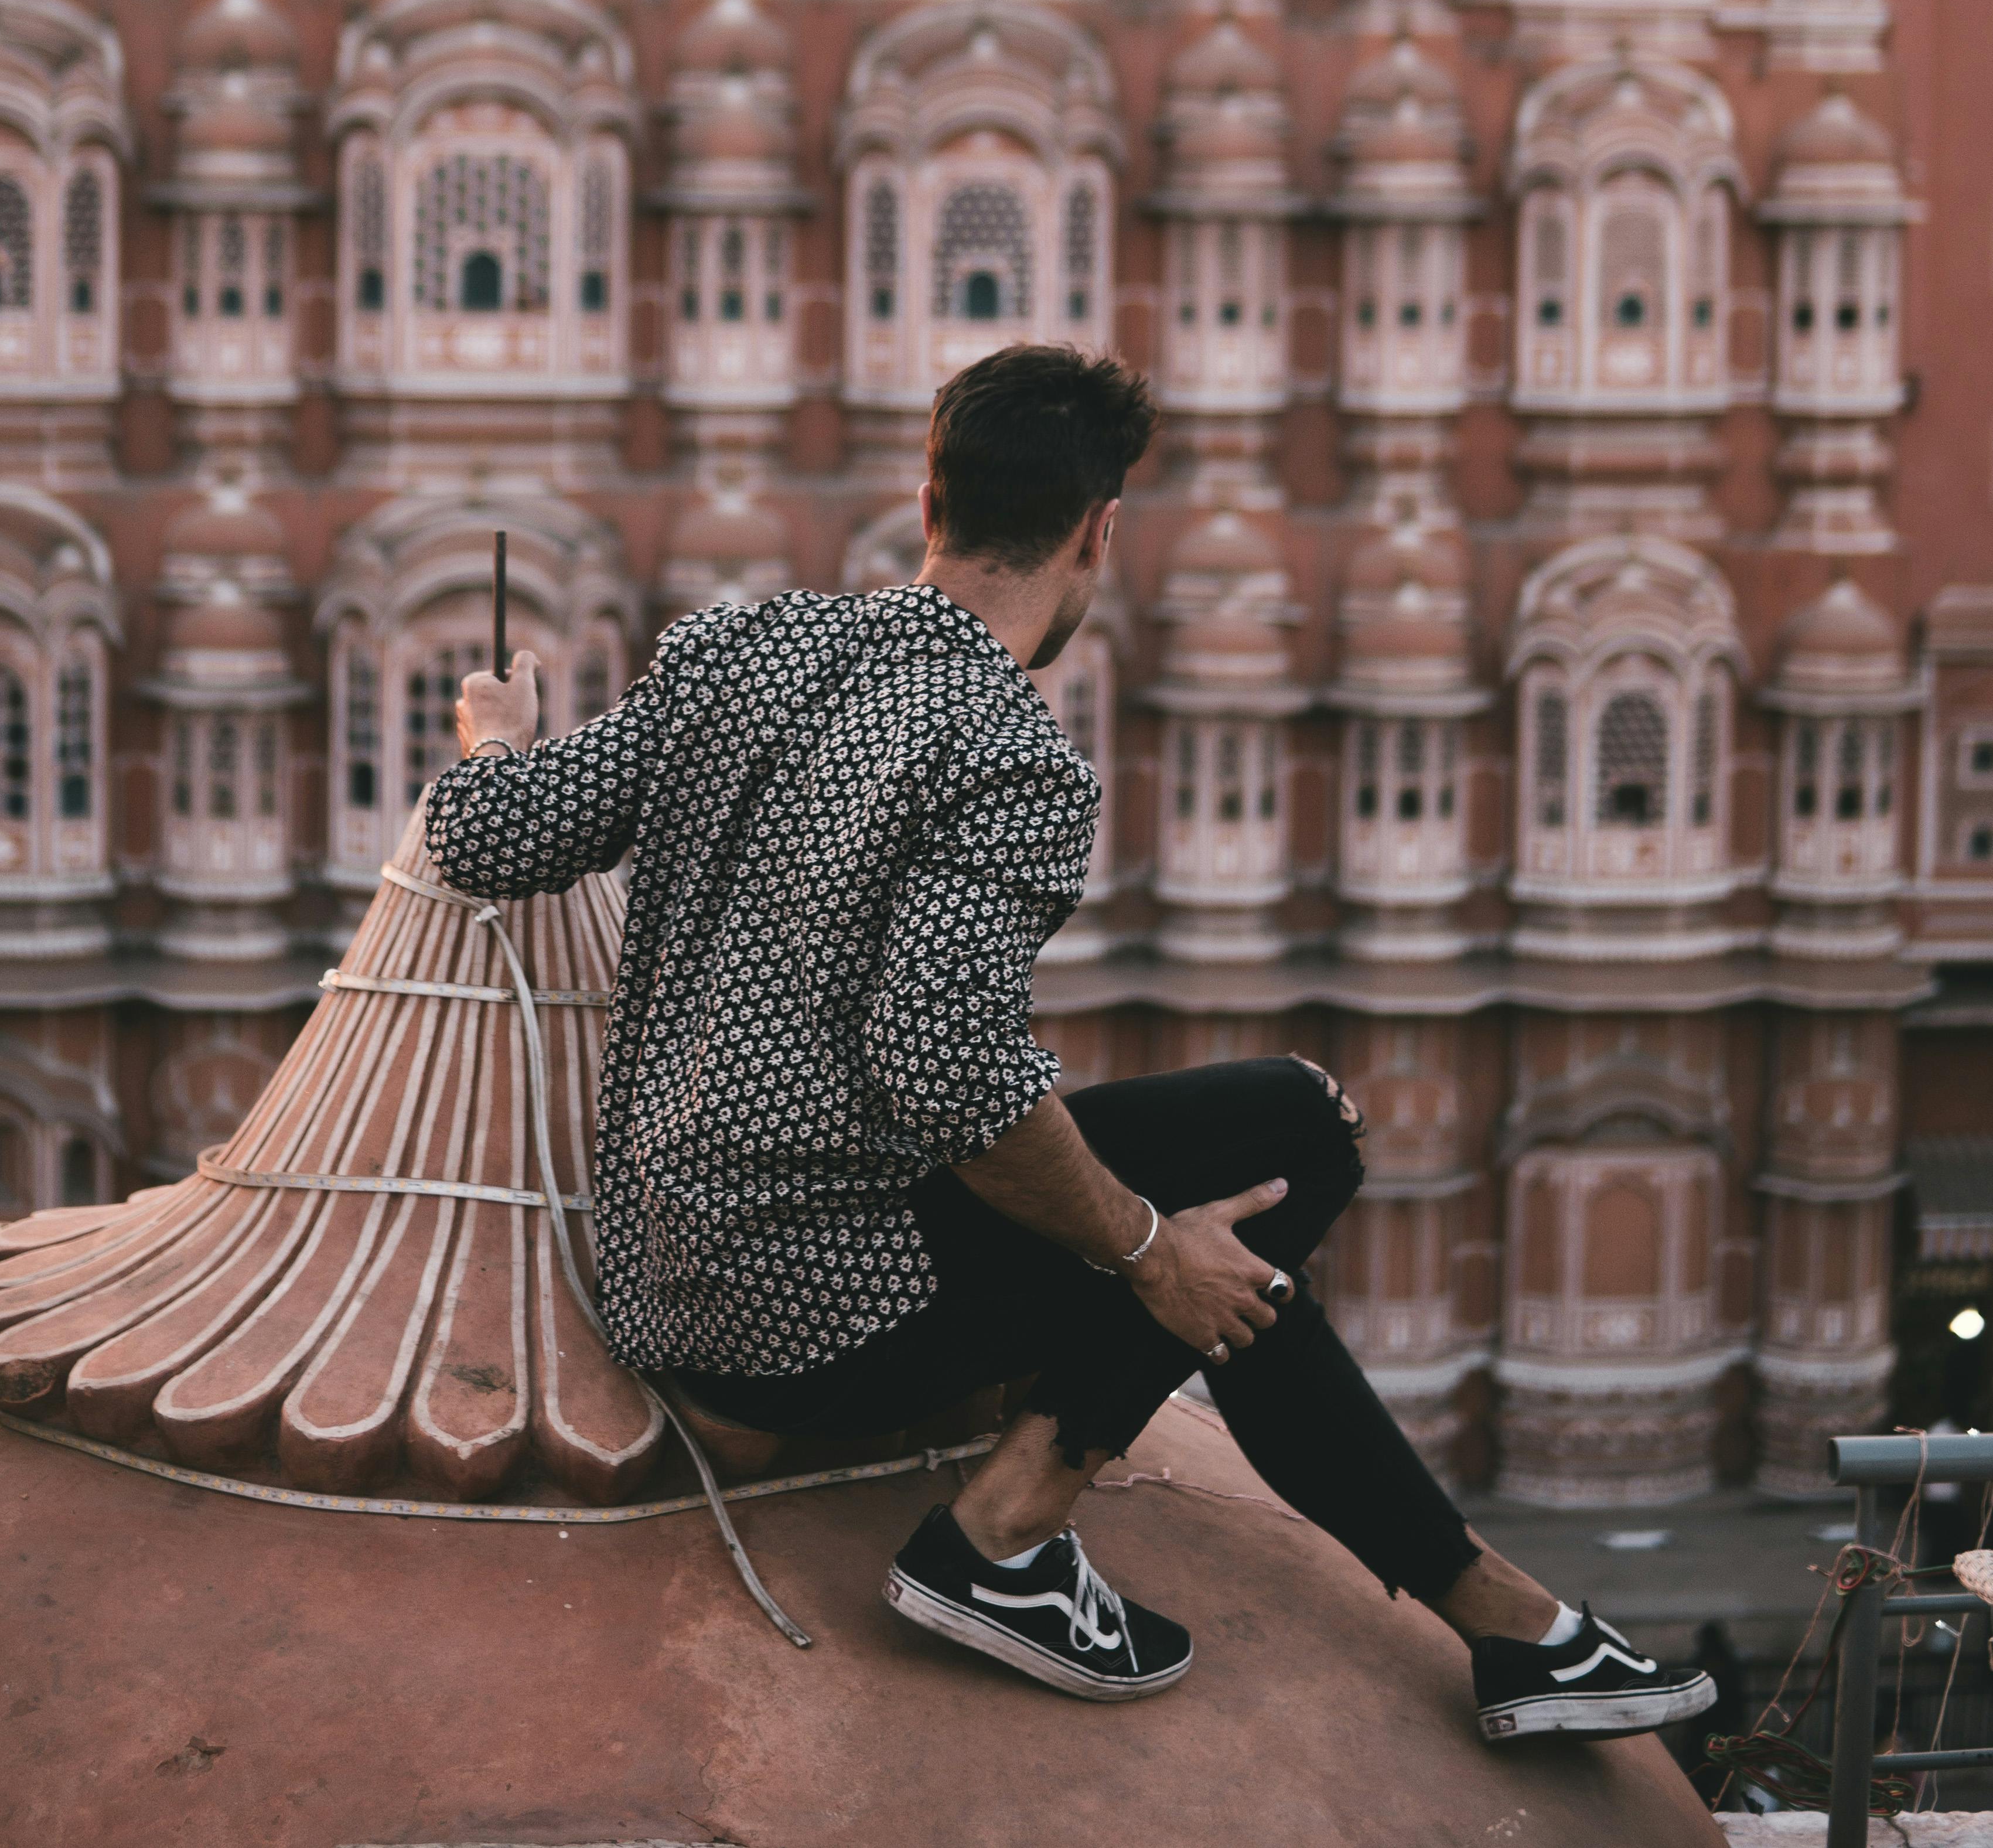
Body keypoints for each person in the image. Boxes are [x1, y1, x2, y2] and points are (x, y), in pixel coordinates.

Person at [425, 342, 1715, 1737]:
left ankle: (1514, 1627)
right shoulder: (1008, 753)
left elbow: (483, 832)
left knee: (1248, 1189)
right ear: (1099, 532)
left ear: (932, 503)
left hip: (659, 1272)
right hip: (813, 1318)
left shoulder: (739, 649)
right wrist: (1144, 1251)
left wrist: (498, 736)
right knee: (1286, 1145)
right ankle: (1003, 1536)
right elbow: (943, 1060)